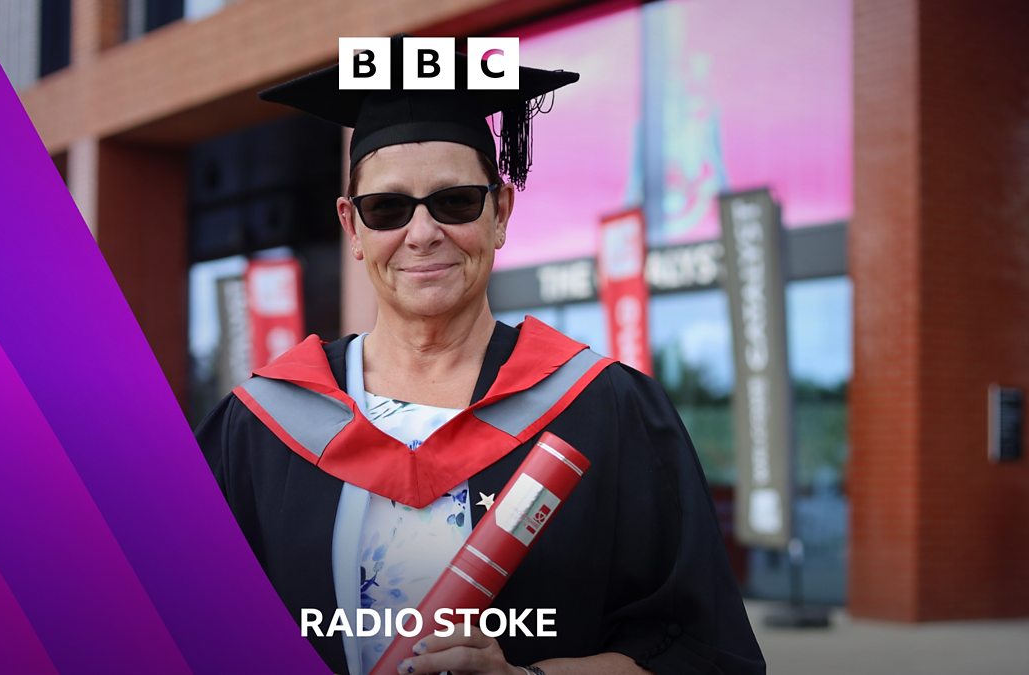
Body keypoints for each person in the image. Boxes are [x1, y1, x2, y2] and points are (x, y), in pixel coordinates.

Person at [197, 36, 765, 675]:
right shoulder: (261, 425)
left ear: (500, 213)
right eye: (386, 208)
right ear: (352, 228)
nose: (422, 234)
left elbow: (701, 653)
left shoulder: (604, 409)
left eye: (455, 202)